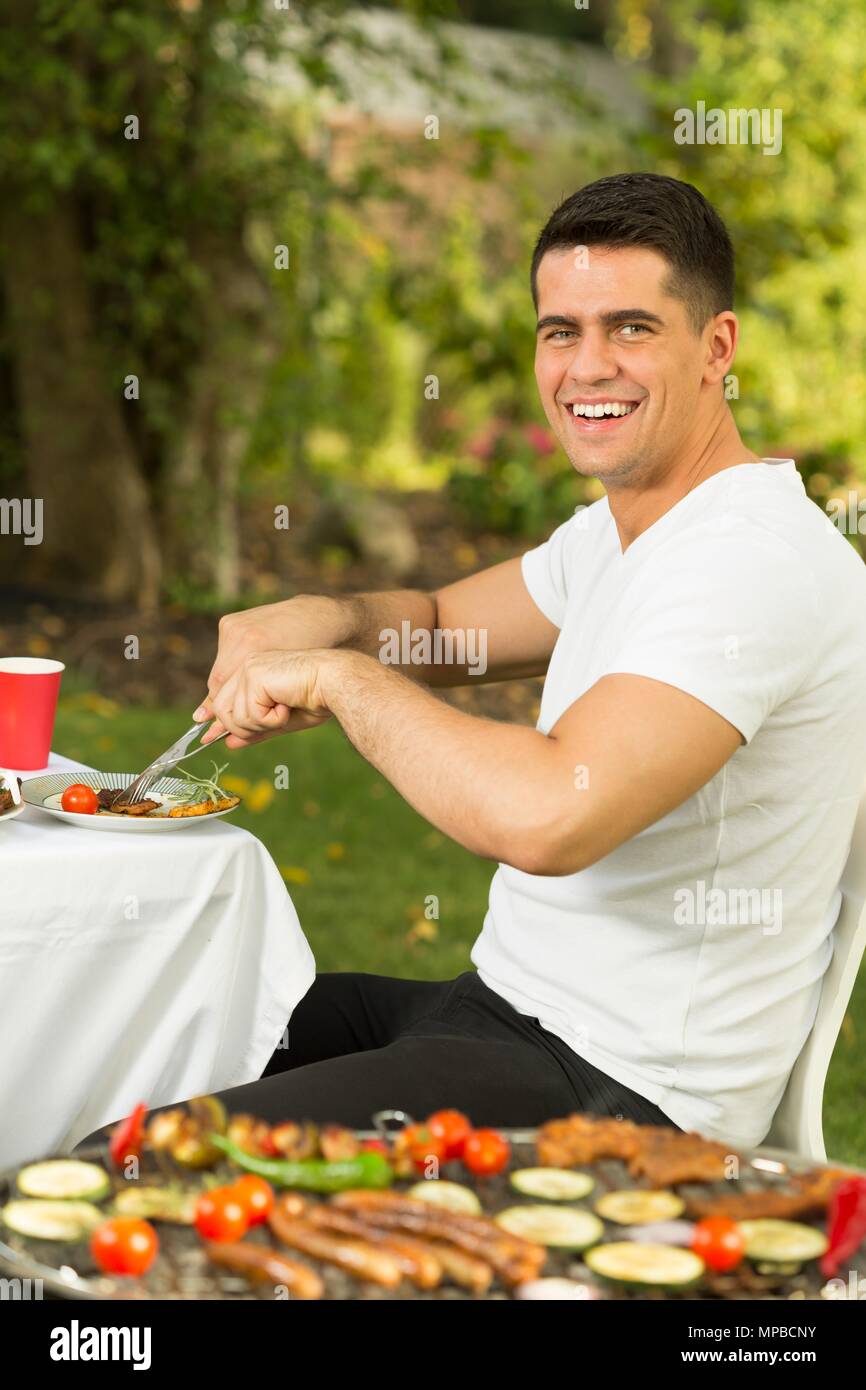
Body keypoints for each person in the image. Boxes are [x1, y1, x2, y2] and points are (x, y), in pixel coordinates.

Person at [139, 174, 866, 1144]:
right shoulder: (629, 528)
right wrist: (324, 617)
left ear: (714, 348)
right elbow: (436, 622)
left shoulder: (745, 563)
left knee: (136, 1167)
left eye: (630, 329)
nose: (585, 365)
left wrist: (341, 677)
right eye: (558, 331)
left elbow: (548, 814)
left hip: (624, 1093)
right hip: (503, 1013)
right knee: (150, 1030)